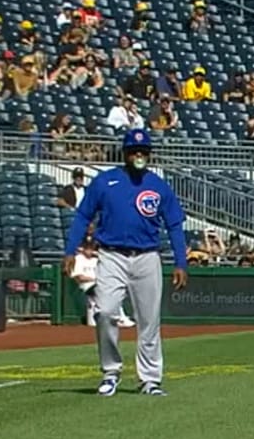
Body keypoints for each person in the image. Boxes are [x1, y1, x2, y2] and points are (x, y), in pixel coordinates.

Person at [63, 128, 190, 396]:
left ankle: (150, 379)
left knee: (149, 320)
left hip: (147, 256)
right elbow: (83, 216)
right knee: (106, 311)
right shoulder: (105, 181)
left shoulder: (158, 185)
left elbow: (175, 225)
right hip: (111, 255)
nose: (139, 155)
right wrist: (70, 250)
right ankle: (111, 371)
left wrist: (181, 262)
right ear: (125, 152)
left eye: (143, 151)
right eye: (134, 150)